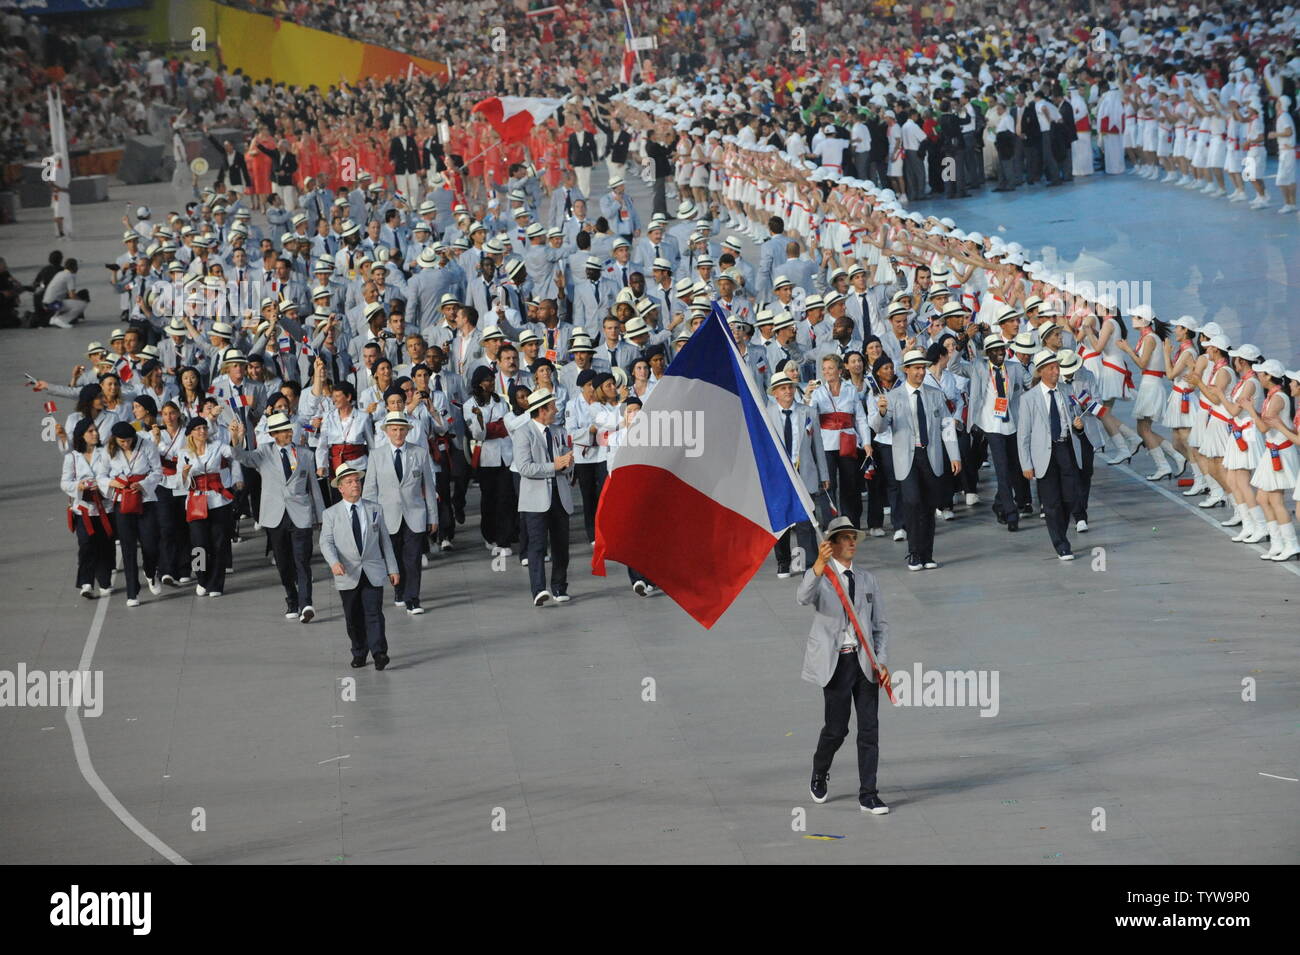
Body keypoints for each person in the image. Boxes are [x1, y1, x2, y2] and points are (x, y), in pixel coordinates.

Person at [798, 516, 890, 815]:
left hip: (864, 662)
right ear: (832, 544)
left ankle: (869, 793)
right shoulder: (822, 577)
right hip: (835, 663)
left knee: (870, 730)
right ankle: (820, 768)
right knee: (837, 729)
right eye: (845, 538)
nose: (852, 543)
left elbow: (880, 625)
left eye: (854, 537)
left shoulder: (867, 579)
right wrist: (816, 566)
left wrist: (882, 660)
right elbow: (802, 597)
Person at [867, 349, 961, 570]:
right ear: (906, 370)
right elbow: (880, 428)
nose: (921, 372)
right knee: (912, 502)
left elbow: (947, 425)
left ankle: (927, 554)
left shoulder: (935, 394)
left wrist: (954, 455)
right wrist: (880, 413)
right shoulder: (892, 397)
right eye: (916, 368)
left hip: (930, 454)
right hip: (906, 456)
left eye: (923, 368)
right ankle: (914, 552)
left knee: (929, 505)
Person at [229, 412, 324, 622]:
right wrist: (236, 439)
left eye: (289, 429)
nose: (288, 433)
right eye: (282, 431)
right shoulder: (264, 452)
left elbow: (314, 486)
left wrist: (320, 515)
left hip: (301, 514)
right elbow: (240, 457)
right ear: (273, 434)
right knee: (283, 563)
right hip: (274, 515)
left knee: (302, 560)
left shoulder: (305, 454)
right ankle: (292, 598)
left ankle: (306, 602)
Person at [319, 462, 400, 671]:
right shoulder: (330, 514)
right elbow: (325, 542)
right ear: (341, 488)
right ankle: (359, 651)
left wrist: (393, 568)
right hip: (347, 572)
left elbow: (385, 541)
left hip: (373, 569)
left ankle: (379, 652)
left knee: (374, 612)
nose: (355, 484)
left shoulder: (374, 508)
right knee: (353, 616)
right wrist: (334, 562)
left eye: (357, 480)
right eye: (349, 482)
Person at [362, 411, 439, 615]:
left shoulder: (419, 453)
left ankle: (413, 598)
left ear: (407, 431)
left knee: (413, 558)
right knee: (393, 556)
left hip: (415, 514)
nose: (398, 433)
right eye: (394, 429)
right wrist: (371, 519)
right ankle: (399, 590)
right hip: (387, 516)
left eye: (401, 429)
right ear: (387, 431)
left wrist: (433, 516)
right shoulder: (376, 456)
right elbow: (369, 490)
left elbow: (429, 488)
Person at [1017, 350, 1086, 561]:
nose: (1056, 371)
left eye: (1057, 367)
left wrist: (1079, 428)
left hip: (1065, 448)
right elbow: (1024, 434)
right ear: (1041, 371)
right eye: (1052, 368)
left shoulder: (1066, 391)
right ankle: (1061, 544)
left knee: (1069, 497)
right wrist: (1026, 464)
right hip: (1043, 454)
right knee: (1051, 502)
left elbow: (1074, 416)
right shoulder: (1029, 399)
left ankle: (1061, 533)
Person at [512, 388, 574, 607]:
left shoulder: (558, 430)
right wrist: (554, 466)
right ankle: (539, 589)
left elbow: (568, 459)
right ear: (541, 410)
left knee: (561, 545)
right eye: (552, 407)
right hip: (535, 499)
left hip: (560, 495)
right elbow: (525, 467)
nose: (556, 410)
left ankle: (560, 586)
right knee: (537, 545)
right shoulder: (523, 433)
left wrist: (567, 464)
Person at [767, 369, 829, 577]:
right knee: (782, 521)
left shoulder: (807, 412)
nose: (788, 391)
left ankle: (807, 563)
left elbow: (817, 446)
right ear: (774, 393)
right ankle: (783, 561)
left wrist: (824, 474)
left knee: (805, 521)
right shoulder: (767, 414)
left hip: (804, 471)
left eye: (790, 387)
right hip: (779, 476)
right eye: (783, 388)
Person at [105, 421, 163, 607]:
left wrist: (143, 484)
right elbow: (101, 475)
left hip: (145, 500)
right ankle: (132, 592)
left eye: (129, 440)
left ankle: (150, 571)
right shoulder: (108, 451)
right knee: (128, 547)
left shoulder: (147, 446)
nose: (126, 444)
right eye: (122, 441)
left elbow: (157, 471)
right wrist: (113, 483)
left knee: (150, 543)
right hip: (122, 502)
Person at [179, 415, 238, 597]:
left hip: (218, 499)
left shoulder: (218, 446)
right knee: (199, 545)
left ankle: (216, 584)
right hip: (197, 501)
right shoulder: (184, 453)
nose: (202, 431)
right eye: (198, 429)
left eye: (204, 428)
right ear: (191, 433)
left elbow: (235, 454)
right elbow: (182, 484)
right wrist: (185, 475)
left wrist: (236, 437)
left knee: (219, 543)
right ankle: (202, 577)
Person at [62, 420, 114, 599]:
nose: (95, 434)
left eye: (96, 431)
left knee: (105, 545)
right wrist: (79, 485)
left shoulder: (106, 453)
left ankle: (105, 580)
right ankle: (86, 582)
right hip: (82, 509)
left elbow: (112, 475)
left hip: (104, 508)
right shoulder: (72, 457)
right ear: (81, 435)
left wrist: (101, 485)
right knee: (86, 544)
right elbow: (65, 483)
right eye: (90, 431)